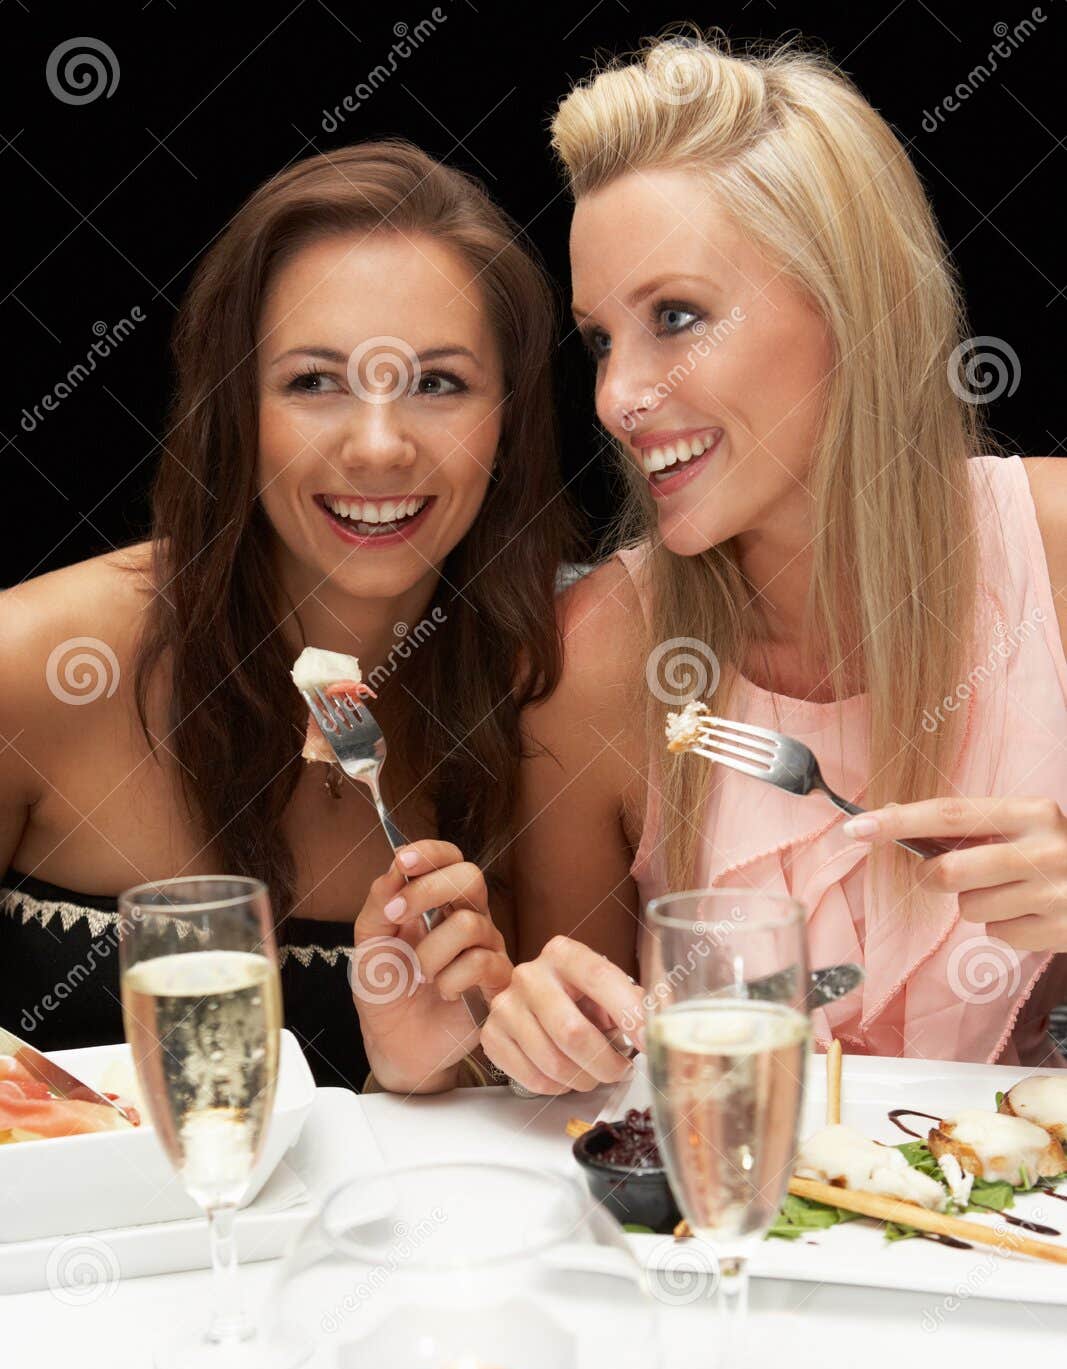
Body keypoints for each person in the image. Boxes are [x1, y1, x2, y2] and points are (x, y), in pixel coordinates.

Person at [481, 33, 1067, 1094]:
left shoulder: (1055, 558)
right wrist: (537, 1038)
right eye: (600, 338)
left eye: (674, 317)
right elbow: (579, 1111)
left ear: (851, 302)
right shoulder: (596, 665)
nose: (616, 396)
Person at [0, 141, 580, 1093]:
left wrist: (432, 1071)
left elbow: (567, 1132)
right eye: (315, 381)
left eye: (438, 384)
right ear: (236, 409)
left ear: (509, 419)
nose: (381, 447)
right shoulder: (37, 664)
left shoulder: (553, 705)